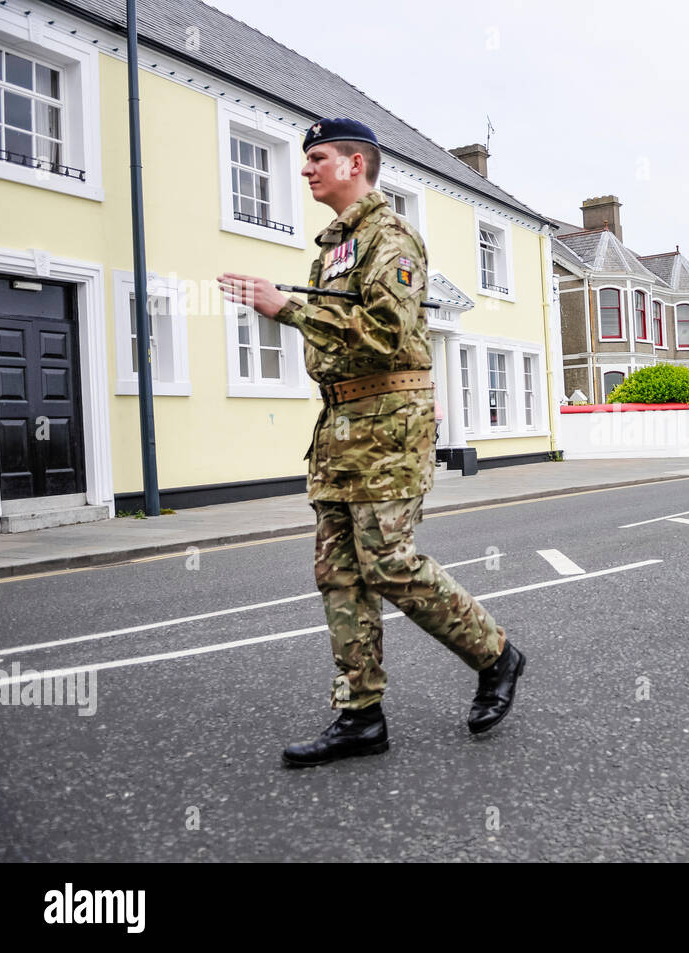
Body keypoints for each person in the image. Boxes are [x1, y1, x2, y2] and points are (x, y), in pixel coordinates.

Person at [217, 118, 525, 767]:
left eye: (318, 157)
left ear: (357, 164)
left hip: (389, 421)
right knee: (338, 570)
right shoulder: (332, 249)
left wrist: (289, 309)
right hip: (340, 424)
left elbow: (387, 331)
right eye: (305, 159)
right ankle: (360, 714)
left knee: (387, 560)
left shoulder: (391, 235)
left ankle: (495, 652)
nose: (305, 169)